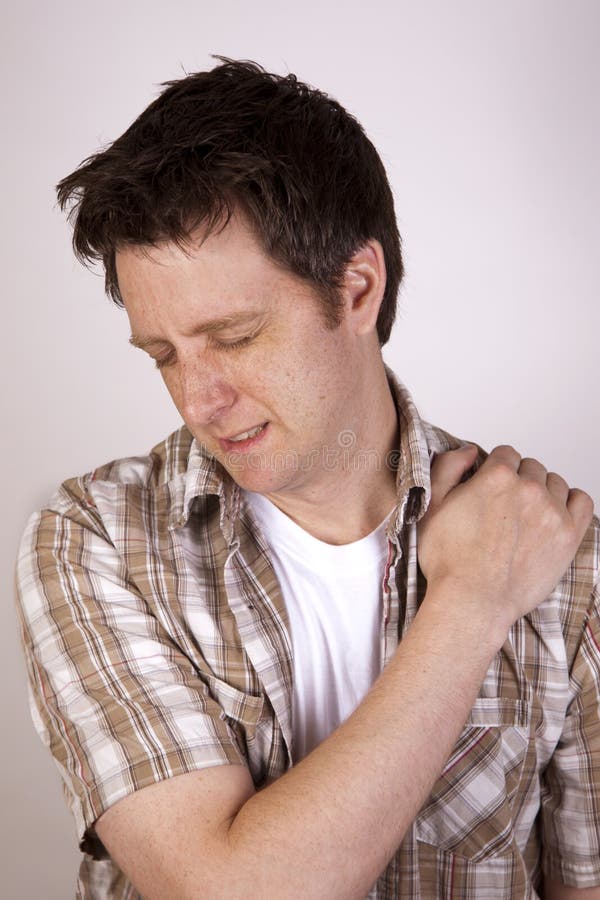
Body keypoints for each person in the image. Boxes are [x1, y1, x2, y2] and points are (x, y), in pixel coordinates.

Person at [15, 58, 599, 900]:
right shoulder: (93, 540)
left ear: (356, 288)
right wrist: (472, 603)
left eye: (237, 336)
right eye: (164, 356)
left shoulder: (561, 555)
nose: (199, 399)